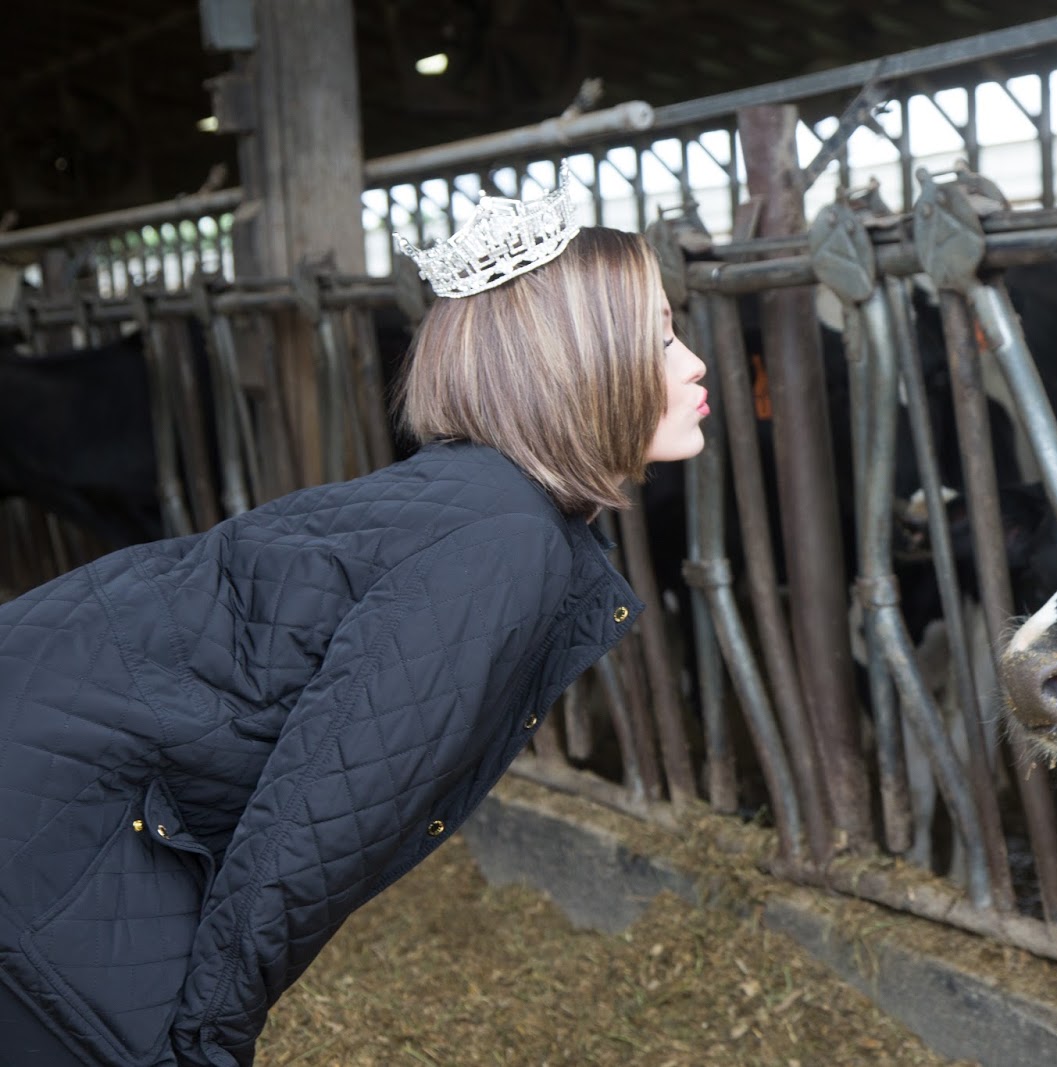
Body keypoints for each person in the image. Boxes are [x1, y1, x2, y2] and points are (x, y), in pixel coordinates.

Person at [0, 164, 709, 1066]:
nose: (692, 364)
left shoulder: (473, 502)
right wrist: (206, 1042)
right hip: (40, 839)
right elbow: (313, 829)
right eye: (659, 341)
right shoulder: (500, 541)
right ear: (582, 366)